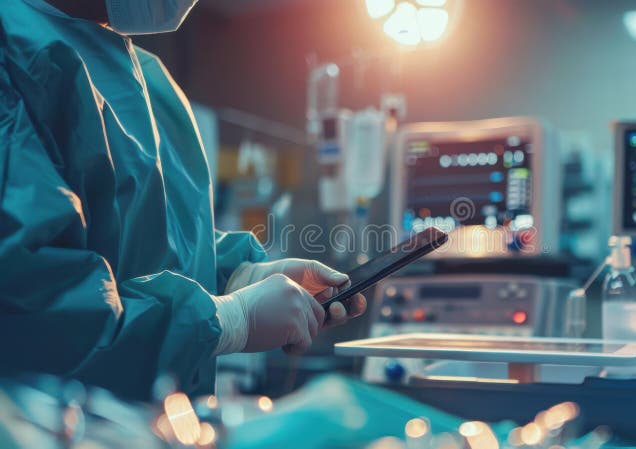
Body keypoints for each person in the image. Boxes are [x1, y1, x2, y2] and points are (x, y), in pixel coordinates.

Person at [0, 0, 367, 400]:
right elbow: (31, 305)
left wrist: (239, 275)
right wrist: (228, 318)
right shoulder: (13, 60)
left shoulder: (150, 80)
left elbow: (159, 241)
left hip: (160, 426)